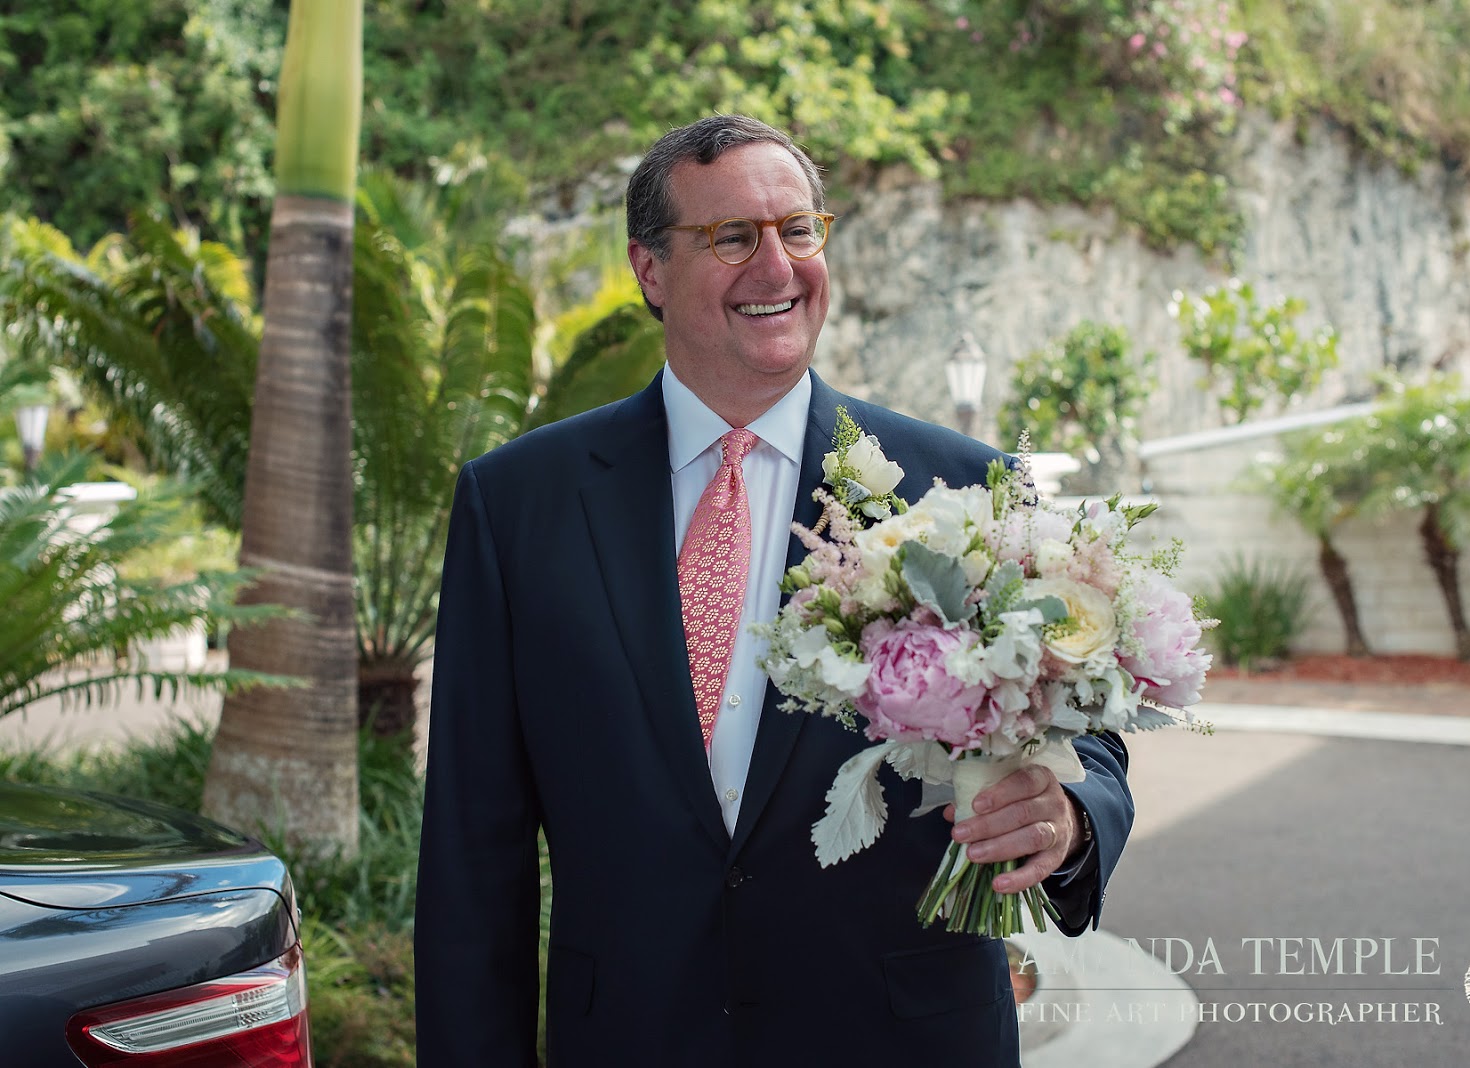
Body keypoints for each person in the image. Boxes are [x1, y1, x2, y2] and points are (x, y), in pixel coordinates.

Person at [414, 114, 1135, 1067]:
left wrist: (1073, 819)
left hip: (902, 1040)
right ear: (649, 271)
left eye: (798, 230)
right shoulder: (517, 505)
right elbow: (474, 855)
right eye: (731, 237)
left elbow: (1088, 739)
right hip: (631, 1039)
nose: (778, 265)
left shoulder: (965, 488)